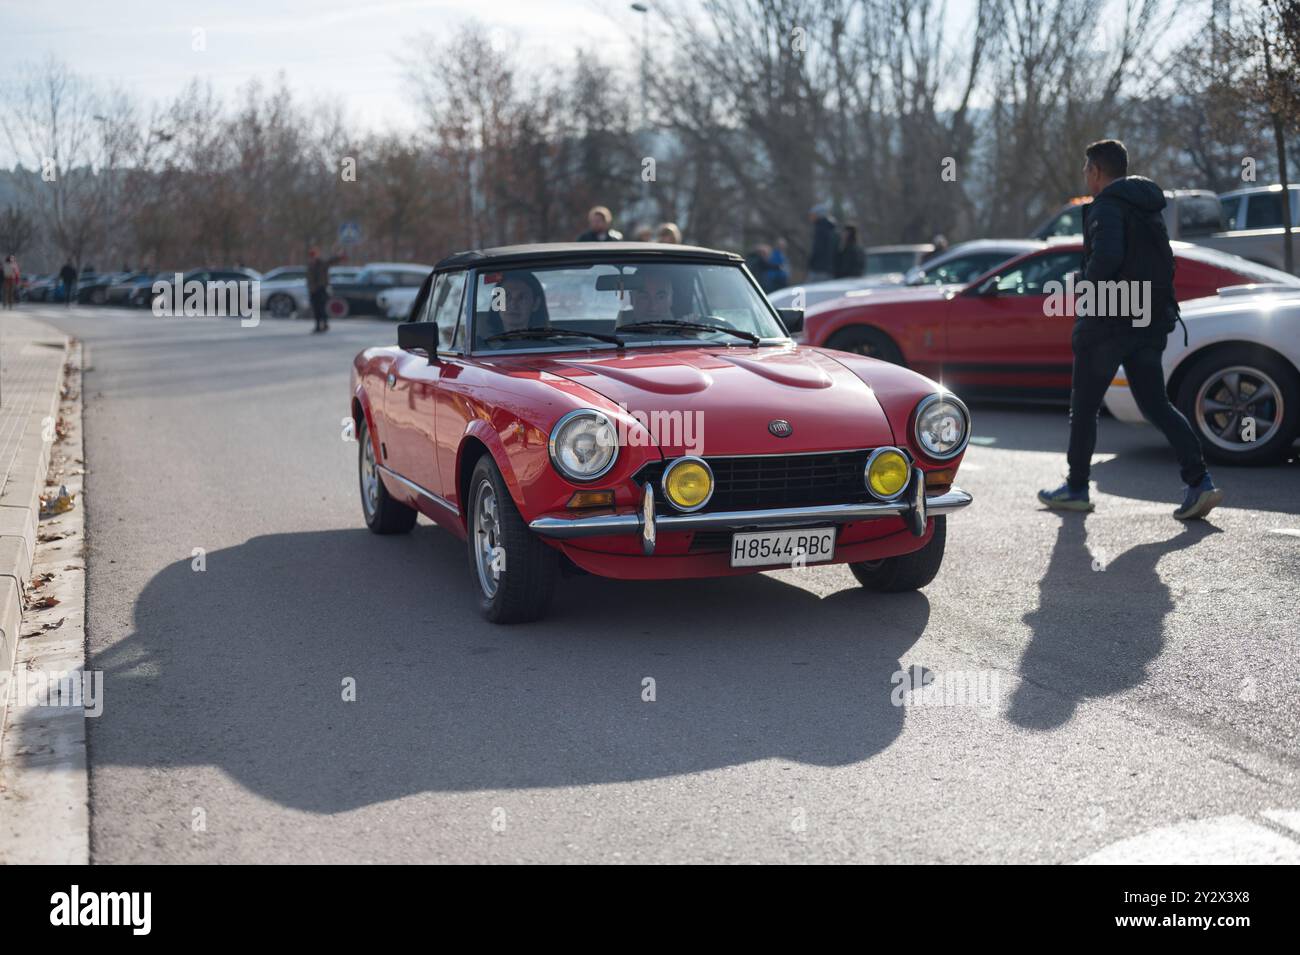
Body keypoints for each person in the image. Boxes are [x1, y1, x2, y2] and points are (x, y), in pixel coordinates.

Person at [1038, 139, 1222, 520]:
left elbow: (1107, 258)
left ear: (1096, 171)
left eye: (1086, 169)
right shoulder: (1146, 204)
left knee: (1085, 407)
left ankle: (1076, 488)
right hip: (1149, 316)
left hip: (1109, 319)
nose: (1085, 176)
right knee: (1156, 404)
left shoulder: (1107, 206)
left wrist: (1084, 285)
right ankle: (1199, 481)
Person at [480, 271, 549, 342]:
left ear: (535, 304)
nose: (513, 305)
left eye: (521, 297)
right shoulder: (481, 347)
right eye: (506, 296)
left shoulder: (550, 347)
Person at [307, 247, 344, 333]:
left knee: (322, 308)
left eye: (314, 256)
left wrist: (339, 256)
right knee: (316, 309)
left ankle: (325, 324)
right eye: (311, 256)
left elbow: (331, 261)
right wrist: (310, 288)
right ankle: (317, 326)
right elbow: (309, 278)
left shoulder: (322, 263)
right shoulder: (309, 265)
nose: (313, 258)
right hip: (312, 290)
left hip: (321, 289)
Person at [806, 203, 838, 282]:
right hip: (829, 269)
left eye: (813, 215)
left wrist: (812, 263)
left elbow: (818, 250)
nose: (811, 217)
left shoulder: (821, 229)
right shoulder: (831, 228)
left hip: (819, 270)